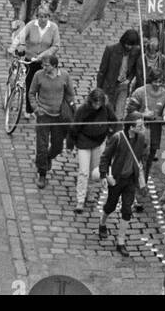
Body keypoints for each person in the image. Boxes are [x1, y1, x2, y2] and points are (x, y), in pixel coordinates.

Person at [98, 114, 150, 255]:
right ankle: (102, 223)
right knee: (110, 206)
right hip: (117, 179)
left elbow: (142, 156)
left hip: (130, 180)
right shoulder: (118, 138)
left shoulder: (142, 139)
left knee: (127, 209)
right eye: (139, 126)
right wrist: (105, 175)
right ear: (131, 127)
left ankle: (121, 242)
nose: (143, 128)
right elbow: (105, 157)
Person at [30, 51, 75, 190]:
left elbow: (70, 95)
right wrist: (36, 108)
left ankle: (49, 157)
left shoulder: (65, 76)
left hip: (59, 117)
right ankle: (42, 173)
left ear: (55, 66)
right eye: (43, 64)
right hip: (43, 116)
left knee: (57, 146)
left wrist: (73, 109)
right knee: (41, 146)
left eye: (47, 65)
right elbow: (31, 93)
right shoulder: (38, 76)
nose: (44, 67)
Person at [68, 89, 113, 213]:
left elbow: (114, 121)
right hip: (84, 142)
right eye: (95, 103)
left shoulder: (106, 108)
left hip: (98, 143)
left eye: (99, 103)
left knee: (95, 171)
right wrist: (70, 145)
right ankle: (80, 200)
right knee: (83, 171)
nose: (97, 106)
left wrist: (112, 135)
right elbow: (74, 127)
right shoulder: (83, 110)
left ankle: (91, 191)